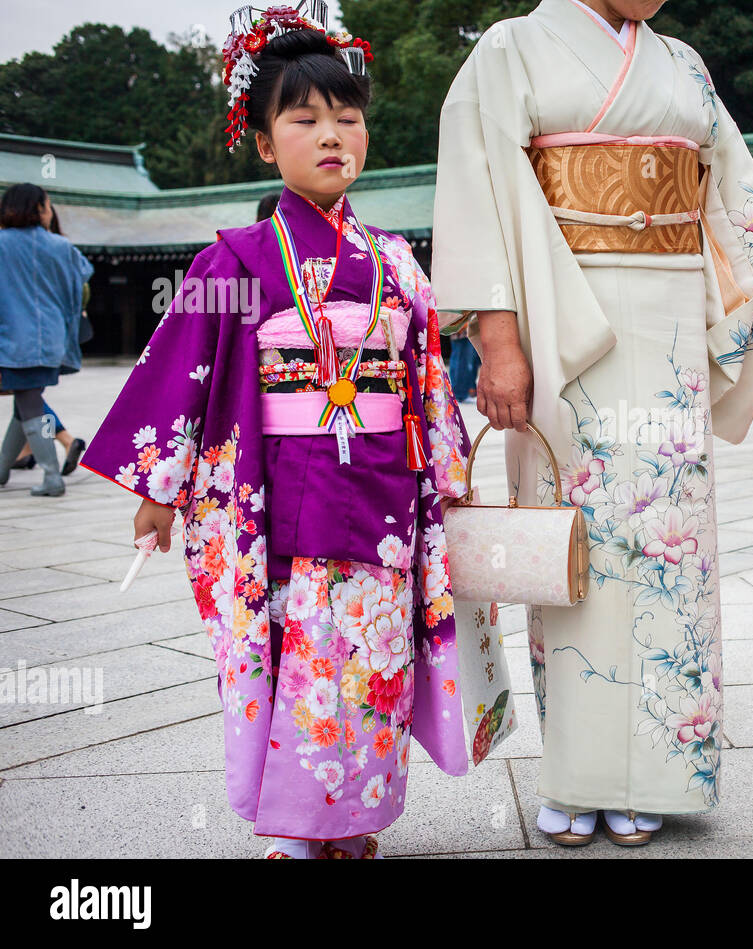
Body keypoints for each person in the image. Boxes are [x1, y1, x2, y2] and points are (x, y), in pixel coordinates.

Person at [431, 0, 753, 846]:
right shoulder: (512, 48)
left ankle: (652, 770)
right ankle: (575, 774)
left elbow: (738, 190)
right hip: (563, 325)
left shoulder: (682, 63)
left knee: (664, 549)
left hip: (671, 330)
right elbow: (476, 193)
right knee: (576, 546)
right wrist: (497, 338)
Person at [79, 7, 481, 859]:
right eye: (304, 120)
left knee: (371, 654)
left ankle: (358, 818)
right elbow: (182, 370)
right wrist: (162, 491)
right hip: (278, 494)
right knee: (299, 662)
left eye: (348, 116)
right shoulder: (238, 260)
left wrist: (445, 465)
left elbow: (427, 374)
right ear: (265, 144)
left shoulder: (398, 261)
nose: (332, 135)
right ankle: (297, 828)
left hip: (380, 490)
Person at [0, 183, 93, 496]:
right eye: (48, 205)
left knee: (29, 403)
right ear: (38, 209)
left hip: (13, 340)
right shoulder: (61, 247)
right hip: (52, 339)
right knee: (26, 403)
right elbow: (83, 274)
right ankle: (1, 469)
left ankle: (52, 477)